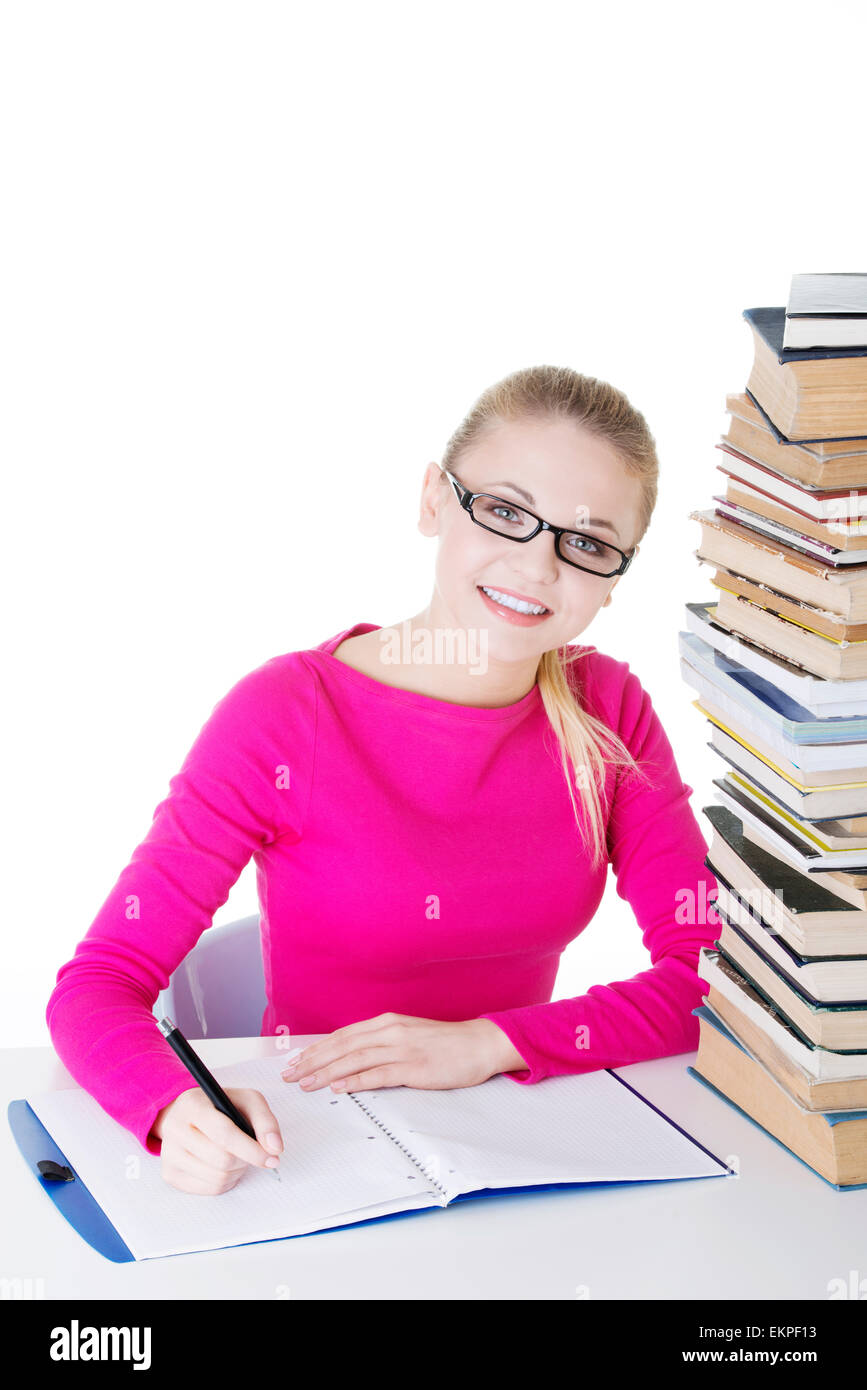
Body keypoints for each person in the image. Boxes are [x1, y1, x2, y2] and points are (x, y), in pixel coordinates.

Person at [45, 364, 720, 1196]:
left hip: (510, 1139)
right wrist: (169, 1108)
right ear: (435, 499)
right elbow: (99, 983)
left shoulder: (607, 707)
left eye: (583, 542)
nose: (536, 565)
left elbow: (711, 977)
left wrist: (489, 1042)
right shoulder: (286, 714)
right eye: (505, 512)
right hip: (315, 1145)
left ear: (617, 576)